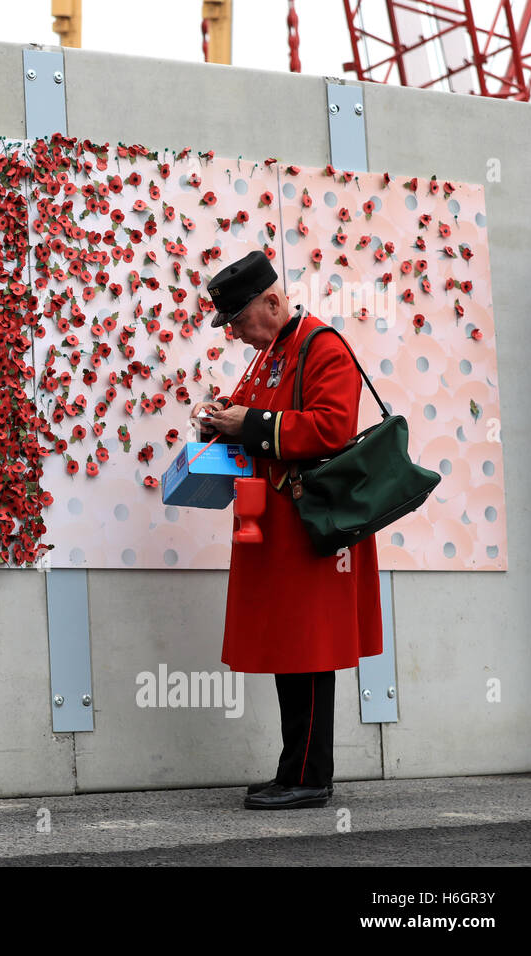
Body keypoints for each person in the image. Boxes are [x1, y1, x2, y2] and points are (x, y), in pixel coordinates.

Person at [191, 250, 383, 810]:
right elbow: (259, 417)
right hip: (282, 525)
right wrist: (223, 415)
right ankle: (292, 770)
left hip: (312, 527)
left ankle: (309, 778)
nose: (235, 335)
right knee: (289, 649)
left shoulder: (322, 346)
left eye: (239, 321)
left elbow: (329, 427)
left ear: (272, 301)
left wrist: (248, 422)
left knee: (310, 649)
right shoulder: (273, 350)